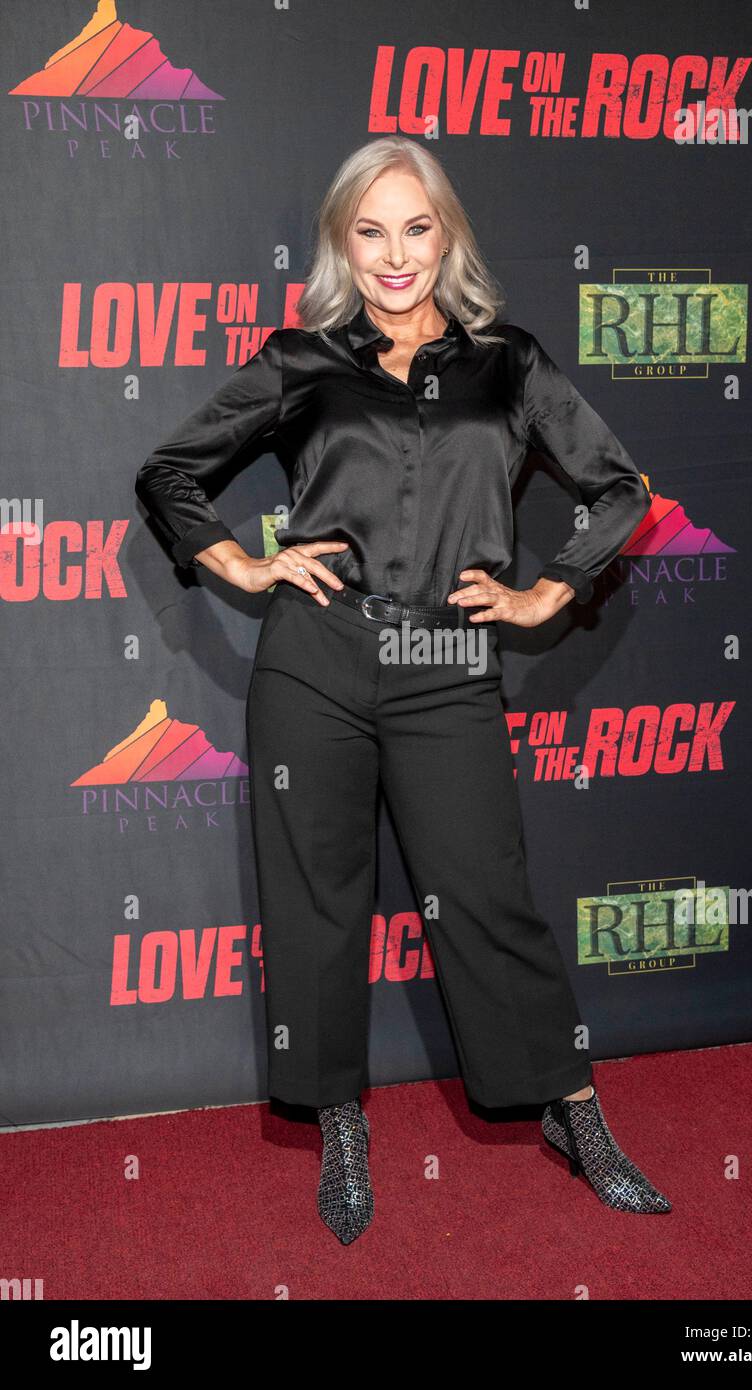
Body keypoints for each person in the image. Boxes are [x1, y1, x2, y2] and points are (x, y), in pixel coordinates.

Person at [135, 135, 670, 1246]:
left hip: (445, 667)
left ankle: (574, 1112)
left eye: (415, 228)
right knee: (316, 905)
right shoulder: (301, 362)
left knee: (488, 895)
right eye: (368, 231)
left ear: (446, 236)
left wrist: (549, 592)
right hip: (314, 659)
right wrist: (238, 564)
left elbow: (620, 488)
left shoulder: (508, 364)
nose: (393, 255)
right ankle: (341, 1125)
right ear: (342, 244)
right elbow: (171, 471)